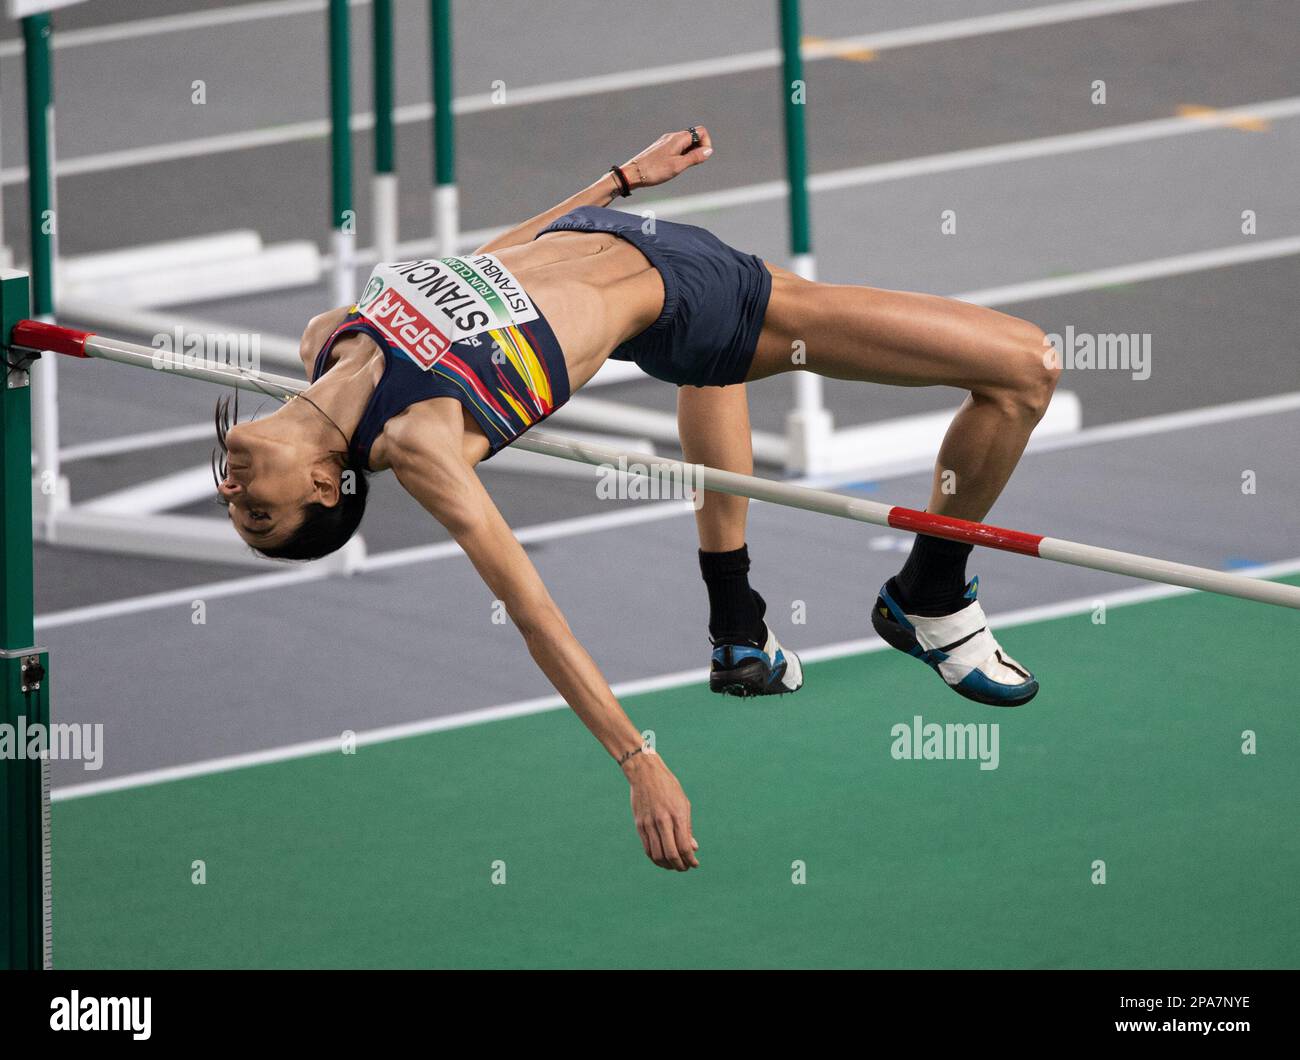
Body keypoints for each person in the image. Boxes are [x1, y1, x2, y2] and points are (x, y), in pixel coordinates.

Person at [215, 127, 1058, 871]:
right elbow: (535, 615)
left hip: (624, 232)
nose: (233, 491)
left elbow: (483, 267)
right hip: (701, 299)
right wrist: (637, 761)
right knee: (1025, 368)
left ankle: (739, 627)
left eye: (234, 505)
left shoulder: (328, 336)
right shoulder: (421, 441)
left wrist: (618, 183)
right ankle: (929, 595)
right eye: (258, 513)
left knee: (720, 373)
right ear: (328, 486)